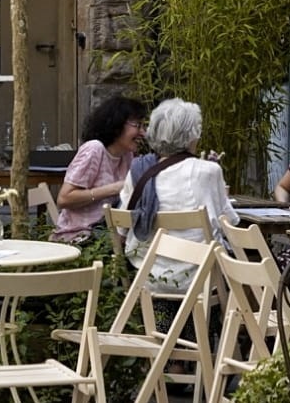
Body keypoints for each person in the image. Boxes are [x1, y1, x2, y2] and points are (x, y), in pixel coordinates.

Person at [117, 98, 237, 286]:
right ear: (193, 135)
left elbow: (120, 226)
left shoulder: (138, 170)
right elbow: (228, 222)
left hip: (146, 278)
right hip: (198, 280)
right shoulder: (207, 171)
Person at [50, 94, 147, 243]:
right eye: (138, 126)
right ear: (117, 125)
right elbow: (64, 198)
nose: (143, 133)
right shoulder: (94, 150)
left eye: (144, 126)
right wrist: (114, 188)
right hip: (79, 237)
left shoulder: (128, 155)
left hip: (107, 233)